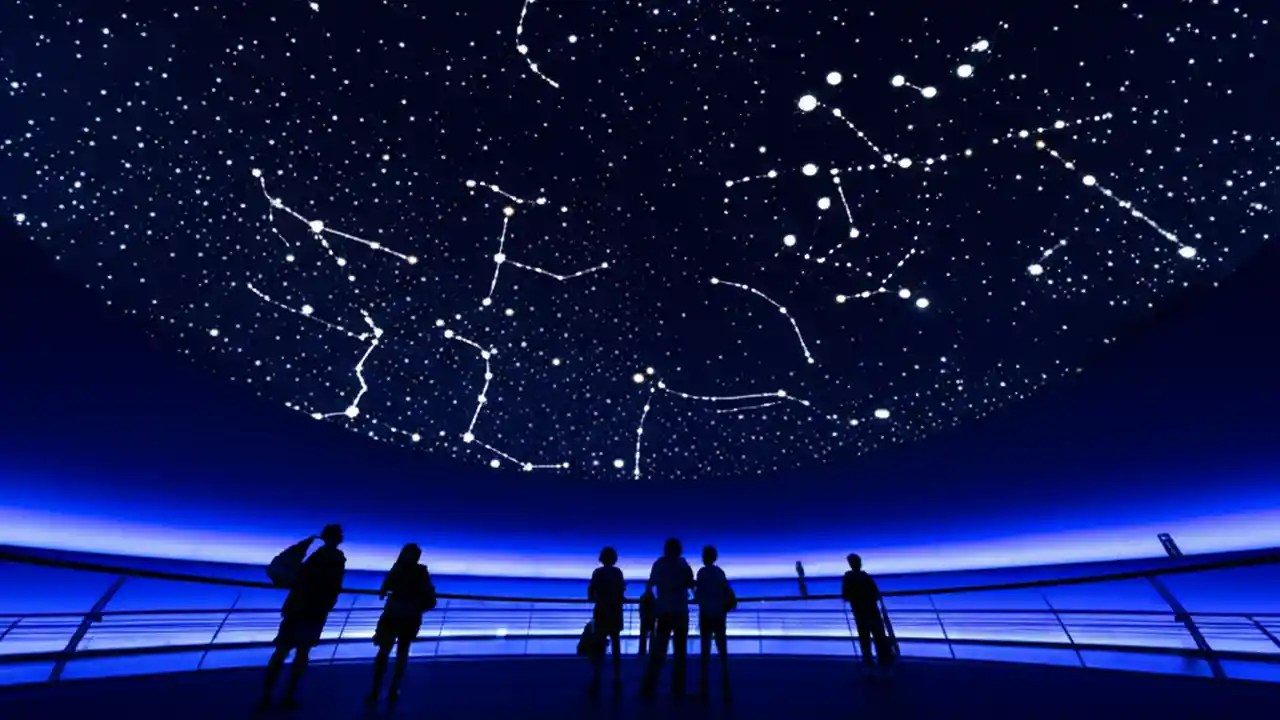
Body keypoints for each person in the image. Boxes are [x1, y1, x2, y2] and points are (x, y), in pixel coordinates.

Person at [261, 524, 346, 709]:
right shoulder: (337, 558)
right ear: (337, 538)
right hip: (315, 611)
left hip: (296, 606)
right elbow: (334, 586)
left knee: (282, 650)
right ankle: (288, 696)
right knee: (302, 652)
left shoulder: (310, 550)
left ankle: (266, 694)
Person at [366, 543, 435, 707]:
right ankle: (391, 690)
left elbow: (384, 589)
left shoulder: (400, 569)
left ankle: (378, 690)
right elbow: (429, 598)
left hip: (395, 616)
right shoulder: (419, 572)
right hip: (407, 617)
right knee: (398, 654)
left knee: (385, 653)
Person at [639, 538, 694, 699]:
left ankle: (649, 687)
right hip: (680, 612)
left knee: (658, 651)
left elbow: (650, 586)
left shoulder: (659, 564)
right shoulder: (683, 564)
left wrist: (652, 605)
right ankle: (678, 688)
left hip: (664, 612)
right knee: (680, 652)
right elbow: (691, 584)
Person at [842, 553, 893, 676]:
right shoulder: (866, 577)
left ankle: (869, 665)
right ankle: (883, 665)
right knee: (879, 639)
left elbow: (845, 596)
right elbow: (876, 594)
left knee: (865, 640)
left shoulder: (848, 578)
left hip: (860, 614)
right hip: (872, 612)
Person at [694, 545, 733, 699]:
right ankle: (725, 675)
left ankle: (704, 680)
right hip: (719, 613)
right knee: (721, 645)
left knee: (705, 647)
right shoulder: (719, 572)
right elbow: (725, 590)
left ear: (704, 557)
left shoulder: (702, 573)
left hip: (706, 614)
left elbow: (698, 595)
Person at [586, 546, 626, 695]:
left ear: (602, 558)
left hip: (601, 611)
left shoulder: (597, 573)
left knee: (599, 645)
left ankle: (596, 676)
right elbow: (621, 591)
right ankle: (616, 677)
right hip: (615, 611)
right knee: (616, 644)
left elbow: (591, 591)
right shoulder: (618, 573)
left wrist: (596, 599)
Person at [637, 586, 656, 656]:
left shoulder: (643, 596)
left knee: (643, 636)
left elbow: (641, 608)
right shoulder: (653, 597)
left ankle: (642, 651)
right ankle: (652, 651)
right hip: (651, 618)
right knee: (652, 636)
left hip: (644, 618)